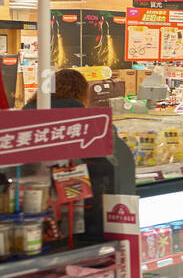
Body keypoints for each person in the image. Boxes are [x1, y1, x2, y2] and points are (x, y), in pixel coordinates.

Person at [23, 68, 133, 240]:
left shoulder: (23, 118)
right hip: (84, 211)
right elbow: (112, 162)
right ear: (82, 93)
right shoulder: (92, 122)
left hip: (30, 207)